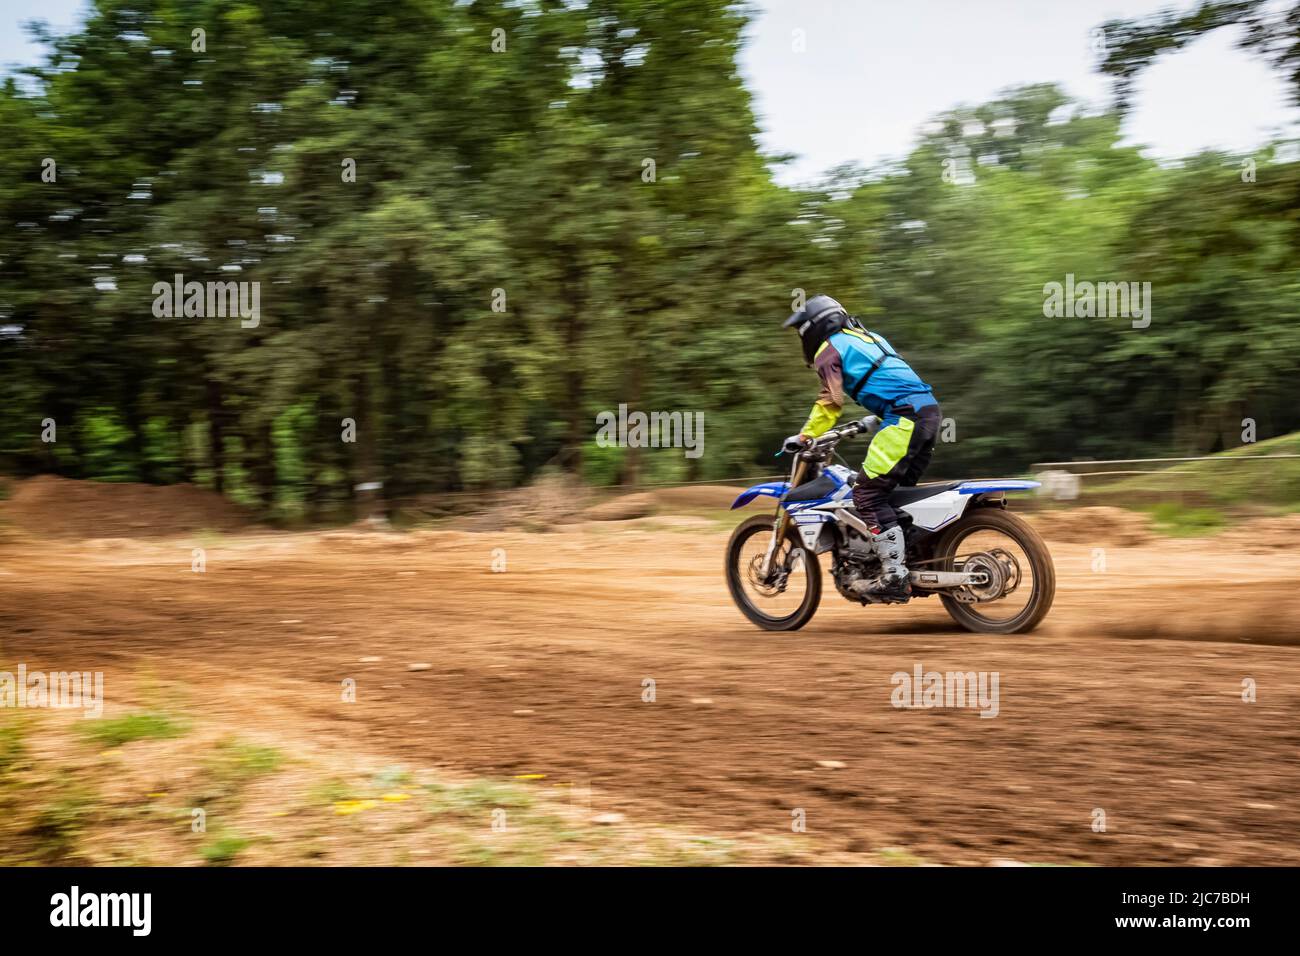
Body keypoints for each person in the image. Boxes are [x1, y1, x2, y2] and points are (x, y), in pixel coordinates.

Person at [783, 295, 941, 601]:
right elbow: (890, 379)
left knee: (866, 494)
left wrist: (804, 437)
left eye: (801, 331)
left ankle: (895, 577)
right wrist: (873, 417)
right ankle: (911, 560)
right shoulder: (869, 338)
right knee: (895, 497)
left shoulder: (828, 351)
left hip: (903, 419)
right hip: (928, 413)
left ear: (813, 328)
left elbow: (830, 403)